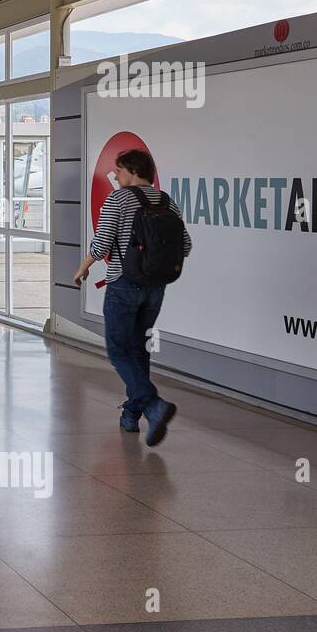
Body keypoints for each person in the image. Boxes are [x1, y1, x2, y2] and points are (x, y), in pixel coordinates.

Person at [73, 148, 192, 446]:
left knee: (117, 349)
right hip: (156, 287)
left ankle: (153, 405)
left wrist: (83, 268)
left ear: (131, 169)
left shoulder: (119, 199)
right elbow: (186, 245)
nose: (116, 176)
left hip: (123, 283)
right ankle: (131, 416)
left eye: (119, 171)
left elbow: (101, 244)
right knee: (139, 349)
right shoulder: (166, 201)